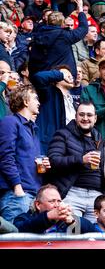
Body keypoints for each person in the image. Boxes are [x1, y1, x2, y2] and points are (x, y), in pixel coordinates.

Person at [46, 102, 105, 223]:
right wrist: (81, 159)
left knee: (94, 238)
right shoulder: (63, 134)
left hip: (96, 196)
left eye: (89, 115)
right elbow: (53, 160)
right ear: (75, 116)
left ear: (95, 118)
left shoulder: (99, 138)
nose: (85, 118)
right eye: (81, 115)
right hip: (73, 194)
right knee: (74, 233)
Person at [0, 84, 46, 222]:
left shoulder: (33, 129)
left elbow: (31, 158)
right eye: (35, 99)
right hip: (17, 195)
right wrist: (17, 188)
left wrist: (44, 161)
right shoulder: (10, 122)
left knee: (30, 242)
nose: (38, 103)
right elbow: (5, 157)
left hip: (33, 194)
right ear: (26, 101)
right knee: (16, 240)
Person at [28, 0, 87, 80]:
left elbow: (32, 63)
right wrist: (80, 9)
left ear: (48, 22)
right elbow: (84, 28)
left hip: (45, 79)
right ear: (63, 24)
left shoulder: (37, 37)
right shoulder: (65, 36)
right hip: (64, 79)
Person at [13, 184, 97, 233]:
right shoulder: (24, 218)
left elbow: (94, 234)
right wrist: (48, 216)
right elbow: (19, 229)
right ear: (38, 205)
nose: (57, 205)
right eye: (52, 201)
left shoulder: (66, 221)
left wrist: (73, 222)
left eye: (59, 201)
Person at [32, 66, 75, 154]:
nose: (69, 76)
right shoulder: (48, 93)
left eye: (70, 75)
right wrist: (61, 75)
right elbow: (38, 77)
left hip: (67, 146)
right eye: (66, 74)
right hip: (49, 145)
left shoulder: (74, 102)